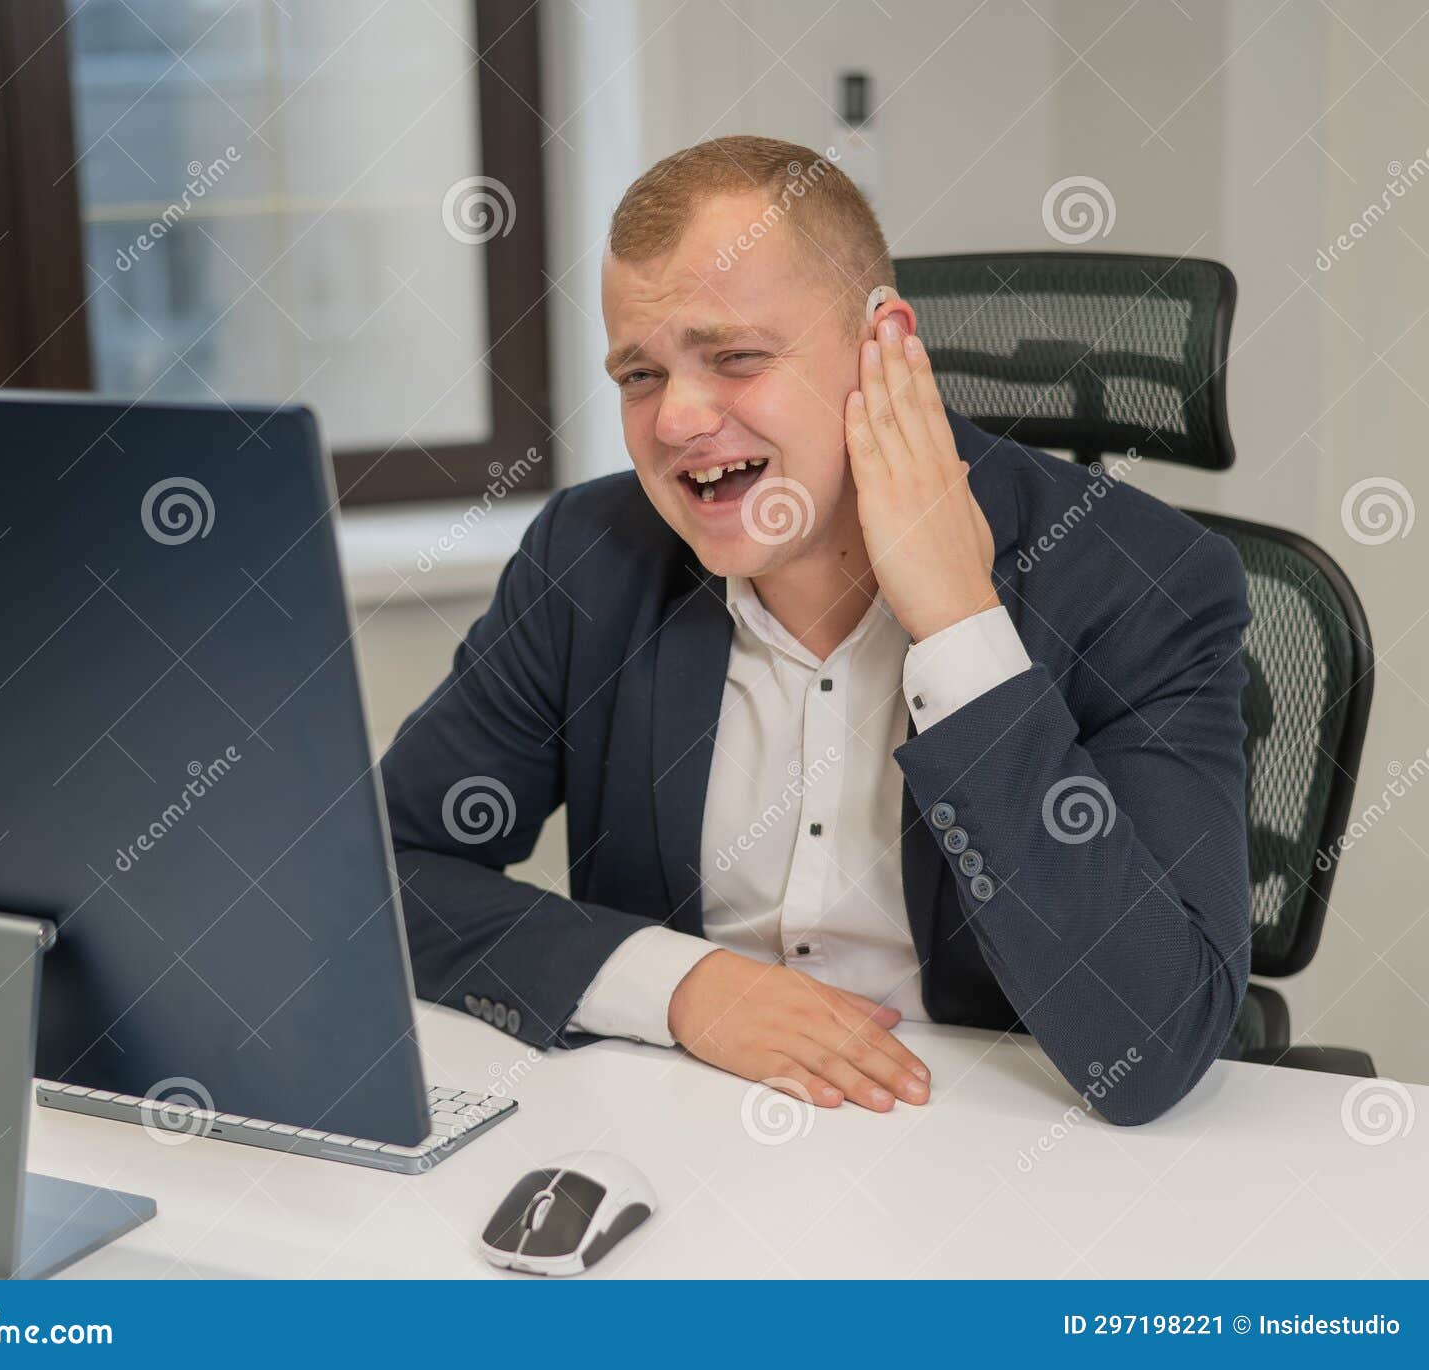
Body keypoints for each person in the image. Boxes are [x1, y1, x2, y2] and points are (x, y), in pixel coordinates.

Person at [381, 135, 1251, 1125]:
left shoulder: (1143, 582)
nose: (676, 422)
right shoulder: (589, 558)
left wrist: (960, 629)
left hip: (988, 1147)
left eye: (735, 358)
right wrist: (681, 985)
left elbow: (1152, 1045)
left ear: (885, 345)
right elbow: (377, 875)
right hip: (687, 1127)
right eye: (640, 375)